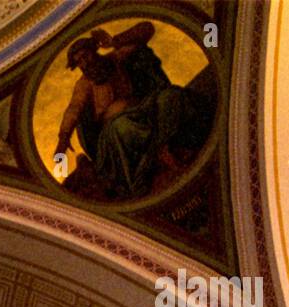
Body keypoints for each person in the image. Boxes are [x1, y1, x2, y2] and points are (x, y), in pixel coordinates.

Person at [54, 22, 204, 200]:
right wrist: (63, 138)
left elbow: (147, 29)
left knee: (171, 97)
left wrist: (114, 41)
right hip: (114, 130)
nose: (84, 64)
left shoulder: (116, 58)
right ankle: (157, 157)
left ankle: (171, 145)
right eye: (79, 62)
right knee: (123, 127)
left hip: (144, 108)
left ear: (94, 51)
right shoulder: (84, 84)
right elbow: (74, 109)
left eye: (85, 56)